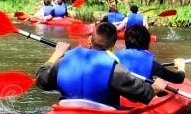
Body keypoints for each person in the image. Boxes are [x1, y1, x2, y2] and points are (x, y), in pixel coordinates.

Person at [35, 21, 167, 108]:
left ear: (89, 40)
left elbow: (41, 81)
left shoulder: (64, 60)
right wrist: (156, 88)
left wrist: (56, 55)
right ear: (113, 45)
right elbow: (143, 95)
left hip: (67, 110)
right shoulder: (115, 70)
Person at [116, 25, 186, 82]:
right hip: (140, 96)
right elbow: (178, 79)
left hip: (118, 95)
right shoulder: (152, 64)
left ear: (126, 41)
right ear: (147, 42)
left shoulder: (114, 57)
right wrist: (181, 67)